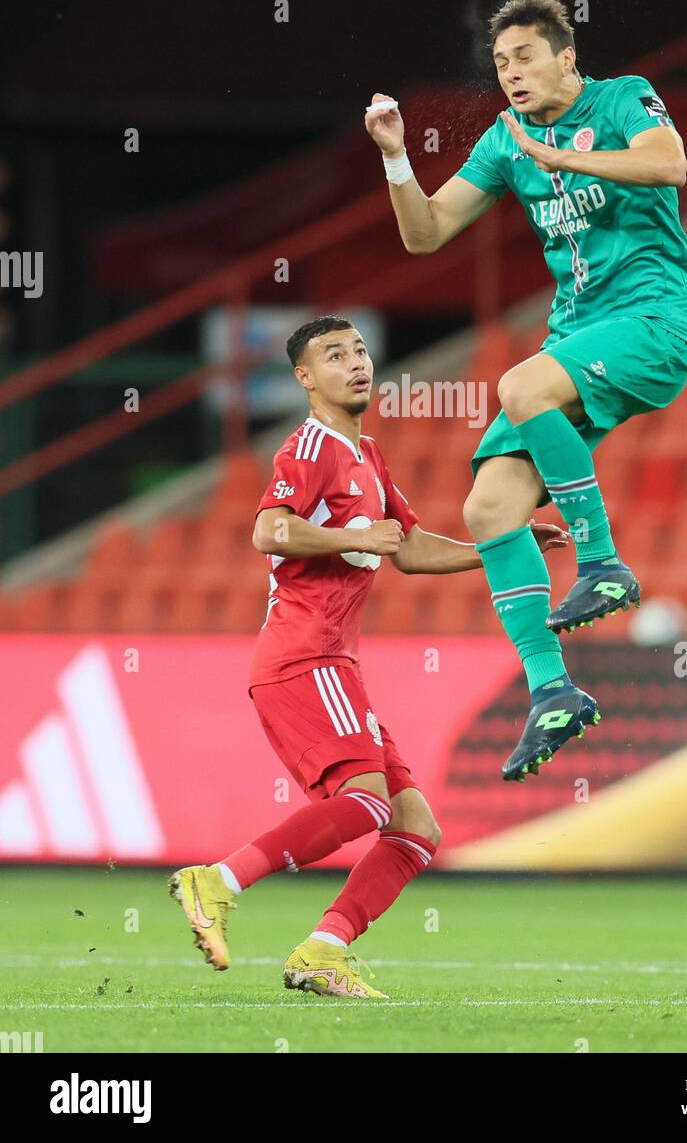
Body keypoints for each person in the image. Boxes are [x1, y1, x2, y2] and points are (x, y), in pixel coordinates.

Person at [169, 315, 567, 998]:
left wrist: (500, 549)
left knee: (415, 827)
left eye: (359, 351)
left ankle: (324, 949)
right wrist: (353, 537)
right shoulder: (311, 447)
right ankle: (218, 880)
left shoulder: (368, 455)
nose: (355, 363)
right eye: (333, 355)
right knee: (366, 806)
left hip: (333, 663)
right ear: (304, 378)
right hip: (304, 656)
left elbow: (407, 548)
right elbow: (269, 529)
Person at [366, 0, 687, 781]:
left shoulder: (622, 99)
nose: (510, 74)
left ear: (567, 57)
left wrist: (565, 159)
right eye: (500, 63)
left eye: (524, 56)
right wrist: (394, 154)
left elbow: (671, 163)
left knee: (521, 387)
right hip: (579, 335)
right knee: (487, 508)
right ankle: (554, 692)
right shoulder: (505, 139)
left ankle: (602, 563)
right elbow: (425, 234)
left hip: (655, 320)